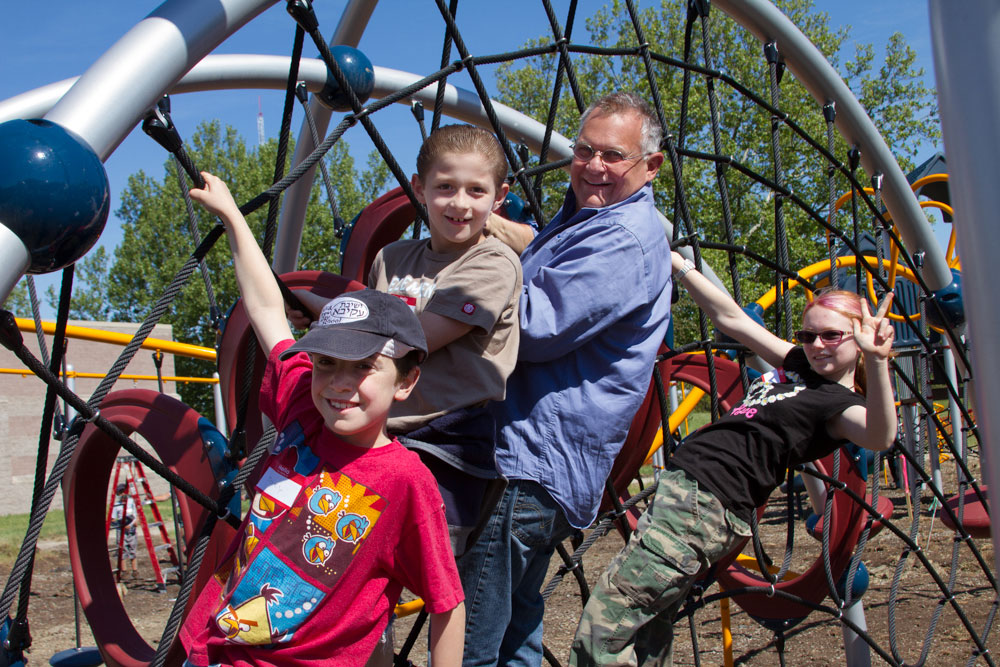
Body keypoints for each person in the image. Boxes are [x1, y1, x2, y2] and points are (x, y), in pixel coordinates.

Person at [179, 173, 465, 667]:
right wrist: (232, 218)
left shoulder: (403, 481)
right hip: (216, 650)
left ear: (405, 381)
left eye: (364, 367)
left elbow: (447, 602)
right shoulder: (302, 408)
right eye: (327, 363)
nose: (338, 383)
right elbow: (268, 309)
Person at [569, 251, 898, 666]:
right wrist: (679, 265)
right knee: (648, 626)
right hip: (685, 495)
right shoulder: (799, 366)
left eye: (831, 336)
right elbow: (733, 320)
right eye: (808, 335)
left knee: (607, 621)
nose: (816, 345)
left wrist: (879, 361)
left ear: (859, 339)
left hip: (704, 506)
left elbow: (880, 435)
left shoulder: (838, 404)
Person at [459, 91, 673, 666]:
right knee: (514, 630)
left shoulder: (622, 237)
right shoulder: (594, 218)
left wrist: (435, 296)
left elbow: (533, 325)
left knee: (470, 635)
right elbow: (548, 265)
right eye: (584, 151)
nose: (594, 166)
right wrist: (487, 223)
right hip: (541, 467)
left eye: (613, 155)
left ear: (650, 166)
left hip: (526, 463)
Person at [290, 124, 523, 555]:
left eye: (476, 191)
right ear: (419, 188)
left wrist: (329, 317)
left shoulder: (493, 262)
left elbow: (413, 339)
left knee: (426, 565)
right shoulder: (393, 258)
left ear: (499, 196)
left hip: (448, 440)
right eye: (445, 187)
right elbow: (366, 334)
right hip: (381, 433)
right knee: (334, 556)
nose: (459, 203)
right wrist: (315, 311)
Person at [110, 482, 139, 580]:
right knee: (122, 550)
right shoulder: (117, 505)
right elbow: (112, 519)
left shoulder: (131, 502)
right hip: (121, 530)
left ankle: (135, 570)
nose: (123, 494)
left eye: (123, 492)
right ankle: (124, 571)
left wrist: (131, 524)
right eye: (120, 492)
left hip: (131, 529)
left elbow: (136, 517)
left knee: (133, 550)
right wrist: (120, 523)